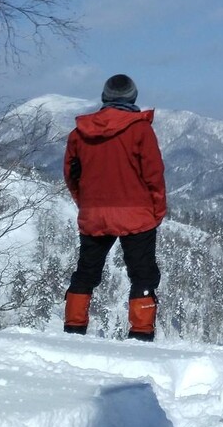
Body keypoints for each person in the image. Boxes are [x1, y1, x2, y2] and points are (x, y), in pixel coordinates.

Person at [63, 74, 167, 341]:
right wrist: (157, 211)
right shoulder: (141, 130)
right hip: (137, 215)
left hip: (94, 215)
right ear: (133, 97)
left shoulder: (79, 133)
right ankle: (141, 334)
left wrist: (86, 203)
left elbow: (72, 174)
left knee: (86, 273)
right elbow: (154, 175)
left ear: (104, 97)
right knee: (143, 276)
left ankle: (73, 330)